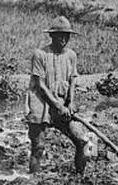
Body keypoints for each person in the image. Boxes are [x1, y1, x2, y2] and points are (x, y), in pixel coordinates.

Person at [27, 16, 95, 176]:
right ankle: (33, 184)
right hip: (41, 105)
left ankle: (80, 177)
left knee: (84, 141)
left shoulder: (71, 55)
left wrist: (70, 102)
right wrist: (58, 105)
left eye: (67, 35)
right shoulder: (40, 54)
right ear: (51, 36)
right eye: (59, 35)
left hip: (63, 106)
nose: (63, 39)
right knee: (38, 147)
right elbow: (40, 85)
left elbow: (72, 79)